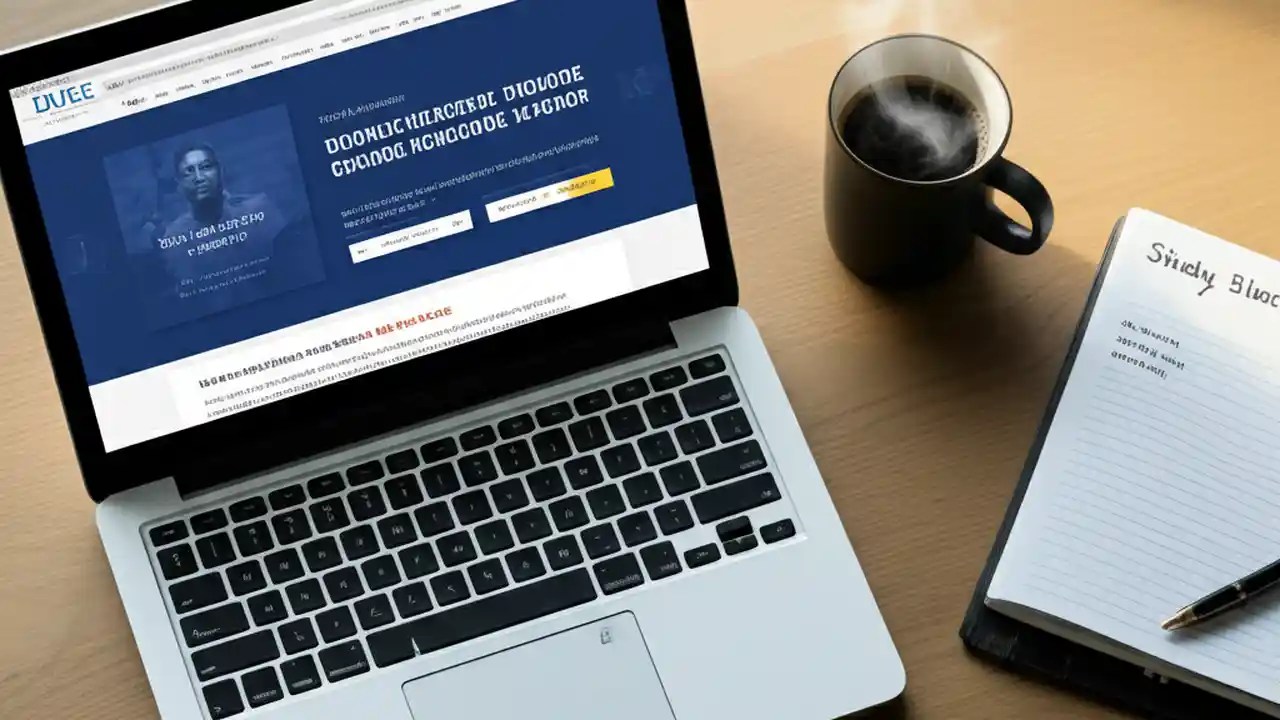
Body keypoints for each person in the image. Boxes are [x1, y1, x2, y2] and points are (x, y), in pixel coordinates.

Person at [161, 144, 289, 314]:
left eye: (206, 167)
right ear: (179, 183)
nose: (199, 178)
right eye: (189, 172)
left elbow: (290, 270)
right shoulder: (174, 237)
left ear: (220, 171)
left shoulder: (259, 210)